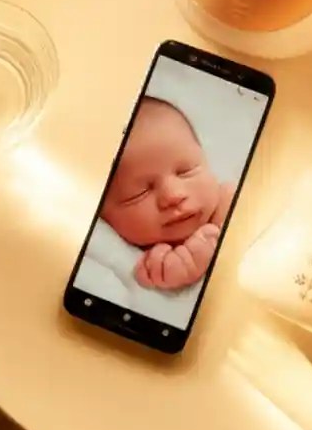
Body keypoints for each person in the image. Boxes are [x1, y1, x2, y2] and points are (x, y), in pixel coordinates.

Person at [100, 96, 234, 290]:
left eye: (185, 171)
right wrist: (175, 268)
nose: (173, 195)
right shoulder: (145, 260)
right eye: (140, 193)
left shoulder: (228, 201)